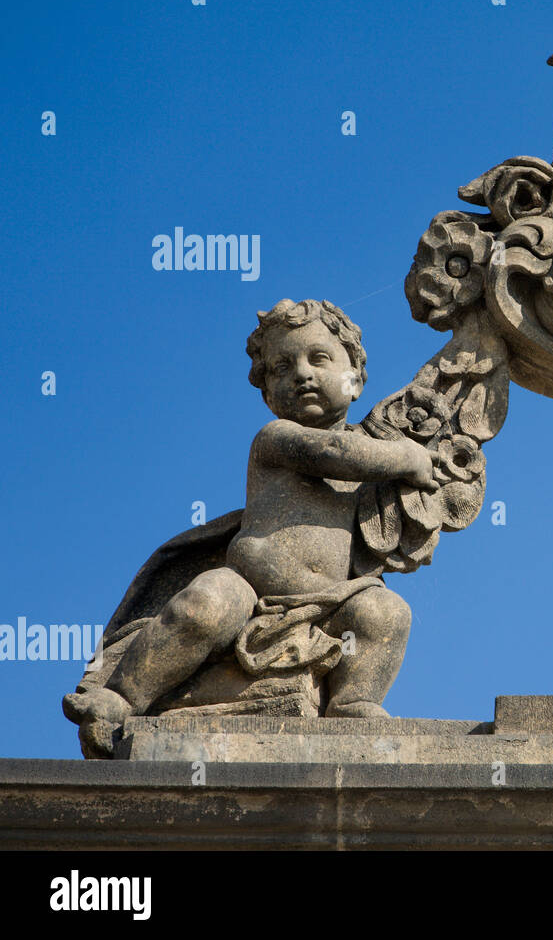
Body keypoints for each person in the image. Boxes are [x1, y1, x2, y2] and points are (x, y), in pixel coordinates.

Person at [64, 300, 432, 751]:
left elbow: (394, 530)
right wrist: (410, 457)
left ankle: (353, 700)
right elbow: (336, 455)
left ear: (355, 377)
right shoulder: (277, 439)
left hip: (331, 601)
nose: (302, 373)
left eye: (319, 358)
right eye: (281, 367)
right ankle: (121, 696)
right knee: (202, 606)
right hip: (249, 588)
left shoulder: (368, 457)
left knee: (387, 612)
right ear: (268, 395)